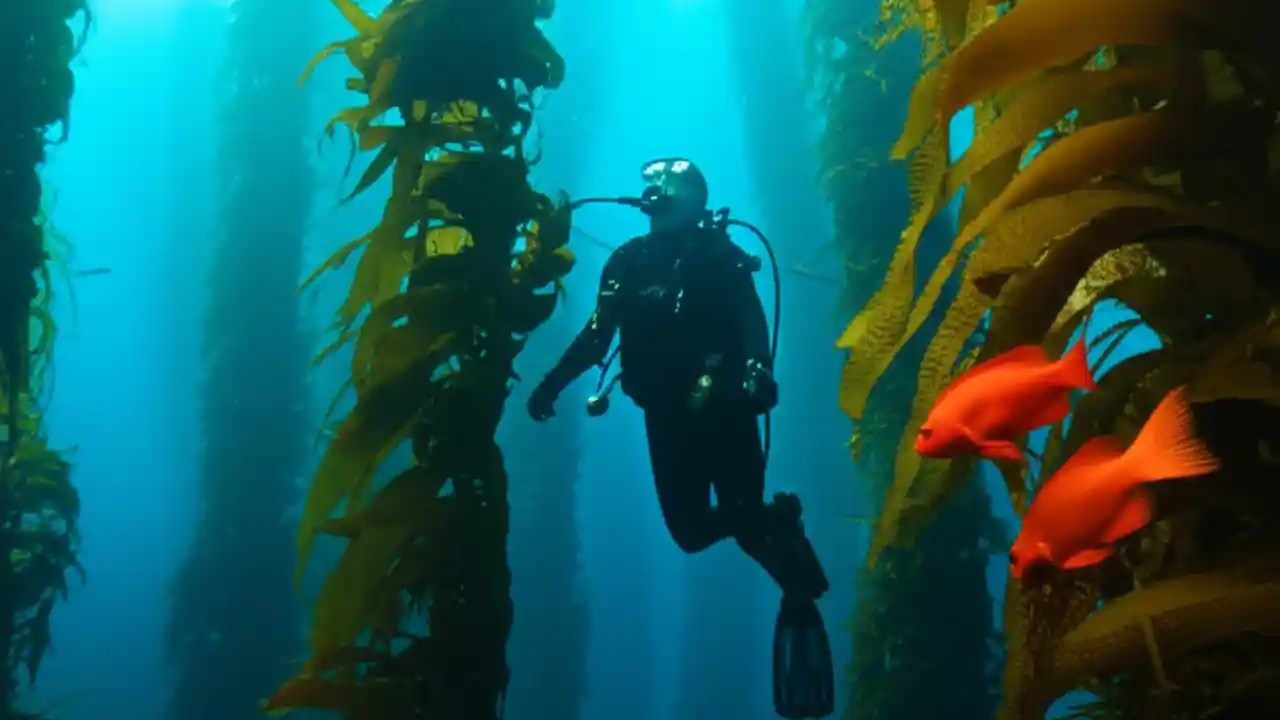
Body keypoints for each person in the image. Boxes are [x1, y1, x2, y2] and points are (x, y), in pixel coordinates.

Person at [527, 158, 833, 719]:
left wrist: (758, 372)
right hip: (666, 416)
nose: (651, 196)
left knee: (739, 519)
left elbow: (750, 319)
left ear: (688, 201)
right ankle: (777, 525)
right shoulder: (627, 261)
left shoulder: (719, 255)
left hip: (727, 412)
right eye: (649, 189)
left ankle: (792, 571)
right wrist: (552, 383)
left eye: (662, 190)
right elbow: (599, 337)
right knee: (694, 533)